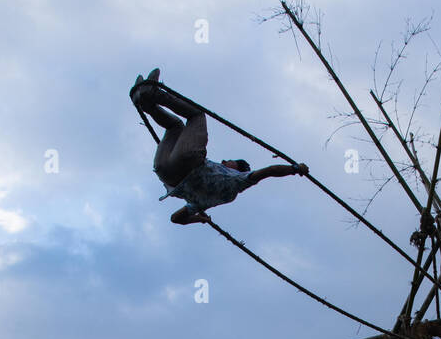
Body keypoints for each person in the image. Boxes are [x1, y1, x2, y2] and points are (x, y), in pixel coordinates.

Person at [129, 68, 309, 224]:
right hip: (165, 172)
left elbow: (269, 171)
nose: (224, 160)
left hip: (187, 164)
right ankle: (146, 101)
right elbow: (176, 219)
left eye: (230, 161)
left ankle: (154, 95)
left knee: (197, 115)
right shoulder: (205, 202)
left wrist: (294, 169)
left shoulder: (239, 180)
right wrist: (200, 218)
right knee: (175, 126)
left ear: (238, 169)